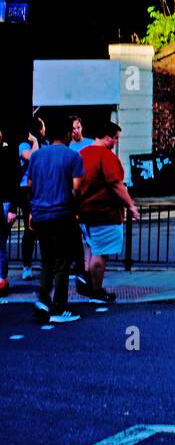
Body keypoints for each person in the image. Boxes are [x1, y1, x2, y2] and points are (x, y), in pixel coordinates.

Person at [26, 115, 84, 323]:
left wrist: (33, 211)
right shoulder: (72, 157)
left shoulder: (36, 156)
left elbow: (31, 185)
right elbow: (77, 189)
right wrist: (76, 209)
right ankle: (59, 307)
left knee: (46, 260)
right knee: (62, 262)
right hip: (62, 213)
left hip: (40, 214)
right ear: (68, 133)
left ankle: (43, 299)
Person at [77, 122, 141, 303]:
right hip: (104, 213)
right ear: (107, 137)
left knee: (91, 247)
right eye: (116, 138)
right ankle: (96, 291)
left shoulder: (82, 154)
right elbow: (115, 184)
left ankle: (88, 282)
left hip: (85, 212)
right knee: (101, 253)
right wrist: (131, 205)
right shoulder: (106, 156)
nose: (116, 142)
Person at [67, 116, 93, 292]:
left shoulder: (90, 144)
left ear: (82, 127)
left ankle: (87, 269)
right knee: (73, 235)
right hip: (72, 194)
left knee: (89, 236)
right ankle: (78, 266)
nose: (76, 131)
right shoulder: (67, 148)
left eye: (78, 127)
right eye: (73, 128)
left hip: (87, 194)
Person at [18, 115, 45, 281]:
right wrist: (34, 141)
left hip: (42, 188)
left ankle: (45, 263)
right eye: (42, 126)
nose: (44, 130)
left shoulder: (46, 145)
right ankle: (26, 266)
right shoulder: (24, 145)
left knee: (44, 228)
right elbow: (32, 157)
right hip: (26, 190)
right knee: (31, 229)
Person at [0, 129, 20, 295]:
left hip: (5, 202)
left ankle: (2, 280)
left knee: (0, 243)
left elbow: (15, 181)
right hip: (5, 202)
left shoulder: (7, 153)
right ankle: (2, 280)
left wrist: (12, 207)